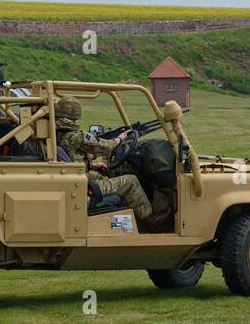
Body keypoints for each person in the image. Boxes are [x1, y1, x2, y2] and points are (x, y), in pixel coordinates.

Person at [54, 97, 171, 233]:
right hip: (82, 187)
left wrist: (92, 165)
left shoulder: (57, 134)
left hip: (78, 180)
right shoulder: (75, 136)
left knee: (102, 174)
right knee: (131, 181)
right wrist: (120, 138)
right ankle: (151, 220)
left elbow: (74, 155)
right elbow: (105, 147)